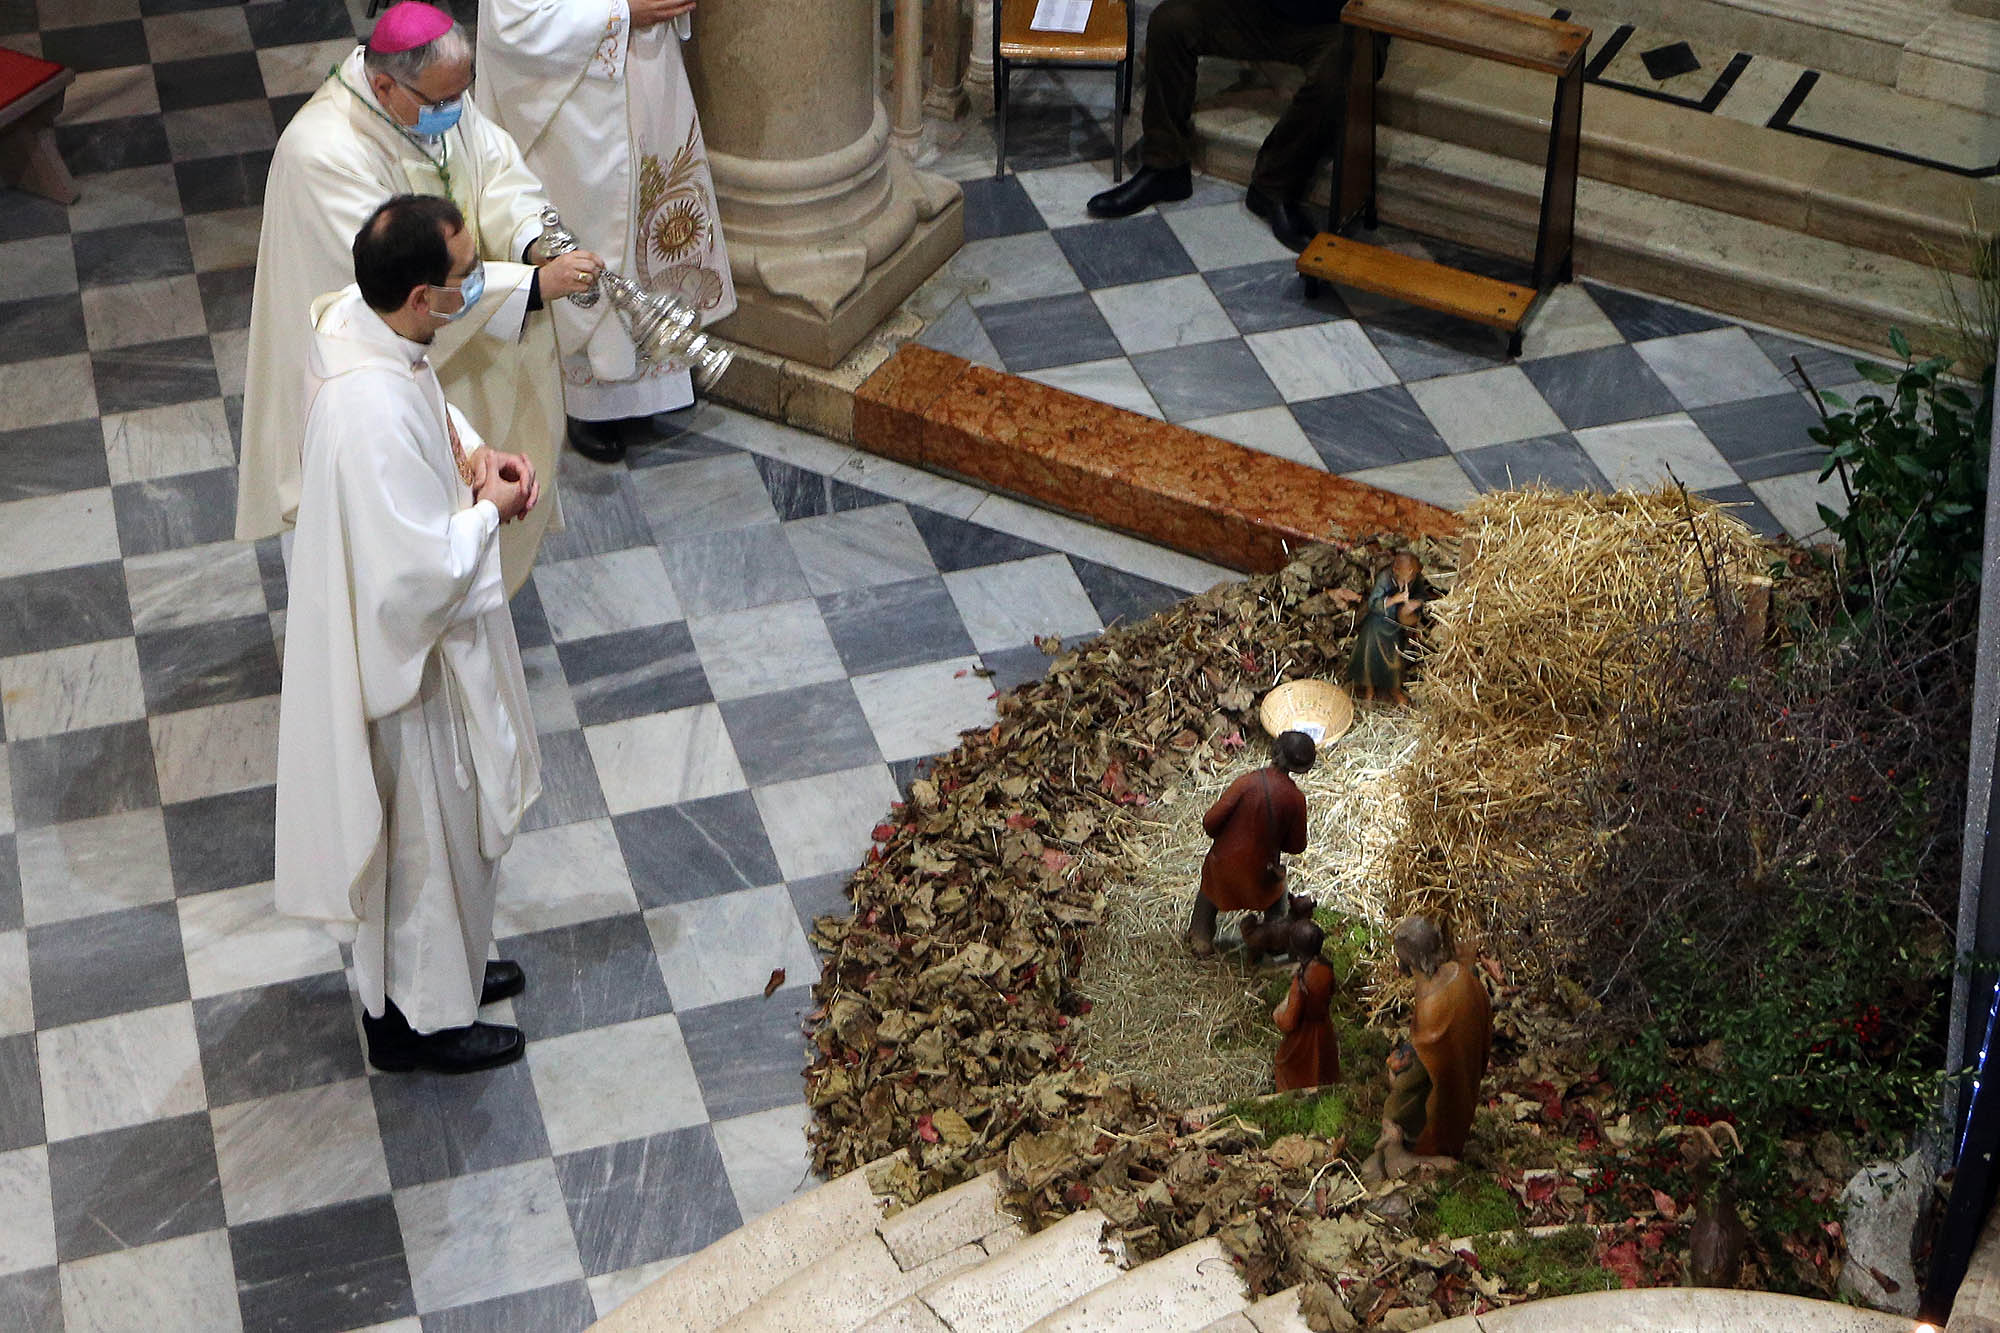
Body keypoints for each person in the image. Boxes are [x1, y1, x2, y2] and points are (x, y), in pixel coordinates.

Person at [276, 195, 544, 1074]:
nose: (474, 287)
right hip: (411, 671)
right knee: (430, 841)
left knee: (444, 840)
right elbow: (412, 578)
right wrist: (491, 511)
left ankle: (448, 977)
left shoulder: (366, 324)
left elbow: (426, 401)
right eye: (464, 278)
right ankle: (423, 1025)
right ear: (423, 296)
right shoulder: (367, 413)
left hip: (418, 647)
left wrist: (475, 454)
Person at [236, 0, 604, 594]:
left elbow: (494, 168)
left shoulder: (429, 96)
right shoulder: (322, 153)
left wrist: (532, 239)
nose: (453, 112)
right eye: (439, 103)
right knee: (389, 551)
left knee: (455, 522)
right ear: (383, 83)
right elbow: (393, 290)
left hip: (445, 363)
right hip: (375, 383)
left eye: (461, 96)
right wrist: (532, 289)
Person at [478, 0, 736, 465]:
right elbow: (513, 25)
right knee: (592, 227)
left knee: (654, 212)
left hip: (645, 66)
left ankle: (656, 378)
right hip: (577, 97)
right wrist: (619, 14)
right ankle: (593, 403)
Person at [1086, 0, 1346, 252]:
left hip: (1335, 22)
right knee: (1170, 22)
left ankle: (1274, 186)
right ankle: (1165, 165)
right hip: (1260, 9)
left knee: (1336, 75)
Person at [1363, 915, 1492, 1180]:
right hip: (1460, 1075)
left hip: (1443, 1092)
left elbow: (1425, 1058)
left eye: (1402, 958)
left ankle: (1405, 1150)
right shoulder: (1460, 974)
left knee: (1397, 1093)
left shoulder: (1433, 1004)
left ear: (1411, 959)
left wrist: (1397, 1066)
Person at [1191, 729, 1316, 957]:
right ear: (1304, 767)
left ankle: (1200, 937)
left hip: (1223, 866)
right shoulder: (1296, 799)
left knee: (1208, 892)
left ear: (1274, 751)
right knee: (1278, 897)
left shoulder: (1246, 782)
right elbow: (1297, 846)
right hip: (1260, 874)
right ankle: (1273, 941)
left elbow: (1210, 822)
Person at [1272, 910, 1341, 1091]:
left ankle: (1292, 1100)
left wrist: (1277, 1014)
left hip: (1303, 1038)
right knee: (1325, 1068)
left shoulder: (1300, 983)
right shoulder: (1326, 968)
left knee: (1285, 1066)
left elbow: (1288, 1022)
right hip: (1324, 1029)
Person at [1348, 551, 1427, 706]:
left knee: (1395, 661)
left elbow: (1423, 595)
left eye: (1412, 573)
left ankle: (1394, 690)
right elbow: (1372, 604)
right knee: (1369, 660)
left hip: (1395, 628)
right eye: (1407, 572)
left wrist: (1416, 603)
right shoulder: (1385, 578)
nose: (1410, 576)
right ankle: (1369, 692)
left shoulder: (1415, 579)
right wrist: (1394, 600)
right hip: (1376, 626)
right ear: (1396, 569)